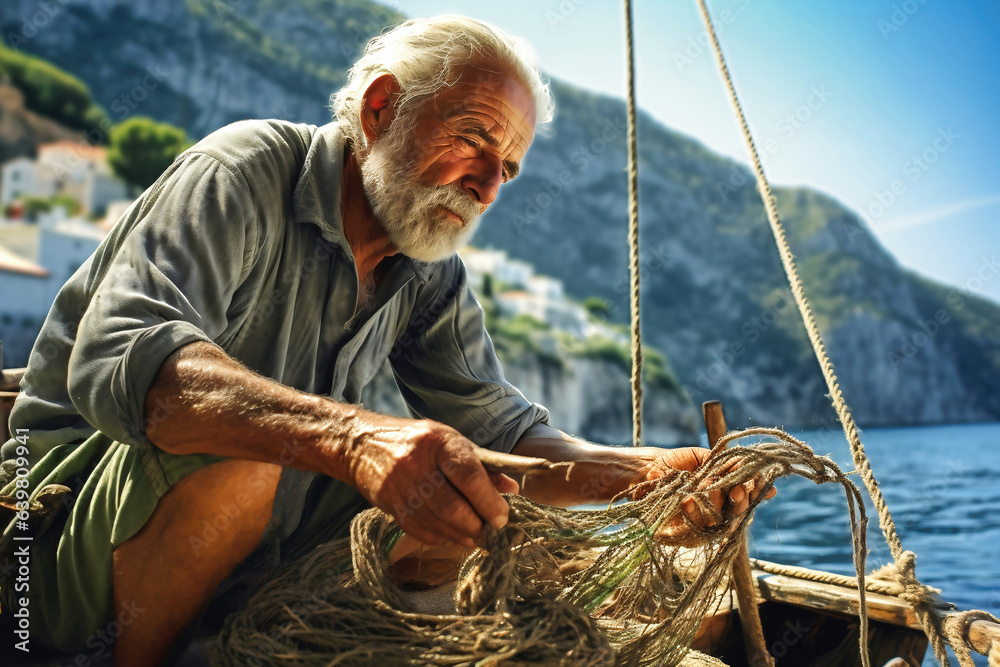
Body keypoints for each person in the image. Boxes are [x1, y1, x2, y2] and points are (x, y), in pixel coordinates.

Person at [0, 15, 767, 665]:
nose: (488, 186)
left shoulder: (427, 269)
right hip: (54, 540)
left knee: (472, 494)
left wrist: (641, 482)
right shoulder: (242, 169)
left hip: (261, 541)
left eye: (508, 168)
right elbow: (125, 357)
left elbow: (502, 431)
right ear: (379, 110)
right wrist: (357, 437)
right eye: (475, 141)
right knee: (250, 455)